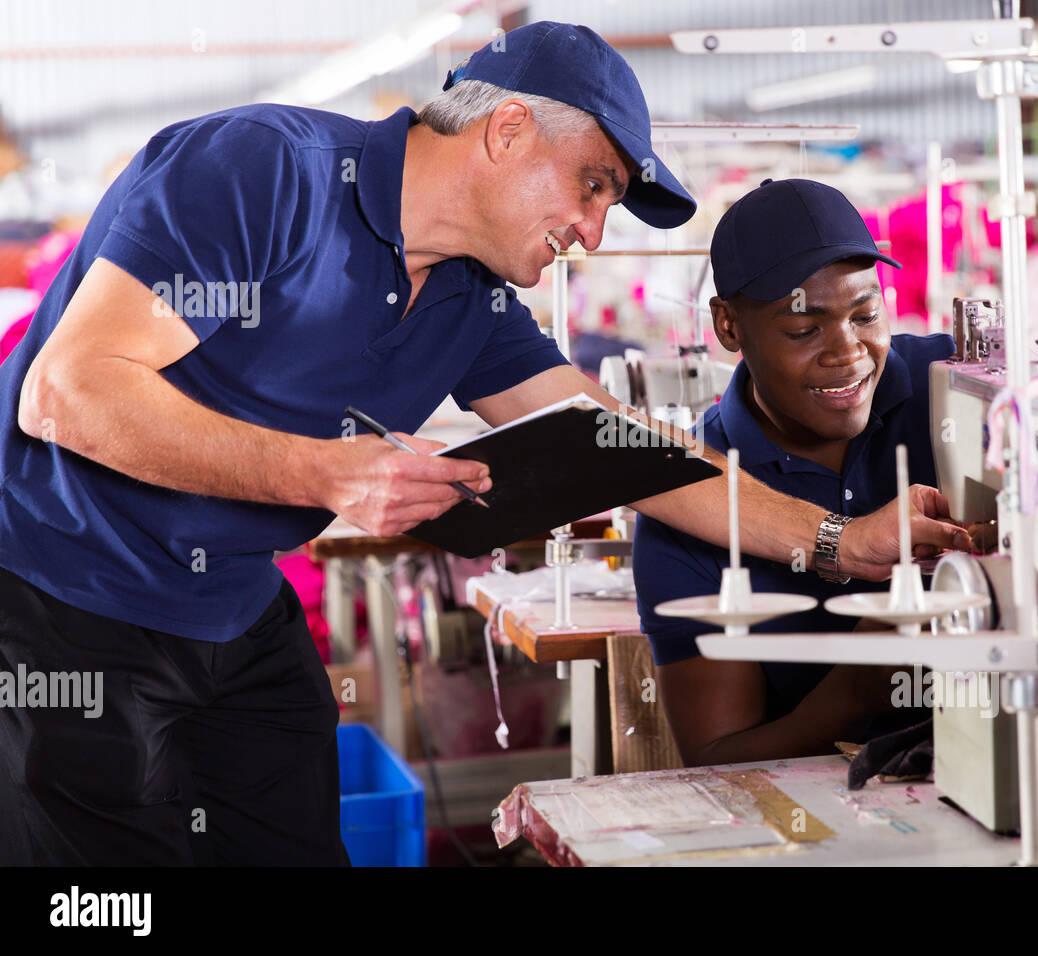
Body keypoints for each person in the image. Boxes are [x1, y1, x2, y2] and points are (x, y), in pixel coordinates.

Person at [0, 24, 964, 864]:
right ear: (505, 131)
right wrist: (326, 473)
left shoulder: (470, 298)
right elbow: (69, 389)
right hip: (58, 594)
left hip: (230, 604)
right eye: (592, 185)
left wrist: (843, 541)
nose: (590, 231)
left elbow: (616, 445)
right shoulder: (259, 171)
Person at [634, 178, 964, 767]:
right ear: (729, 326)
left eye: (866, 315)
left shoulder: (951, 387)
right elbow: (719, 760)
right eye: (804, 329)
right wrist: (865, 680)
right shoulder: (686, 504)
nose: (847, 352)